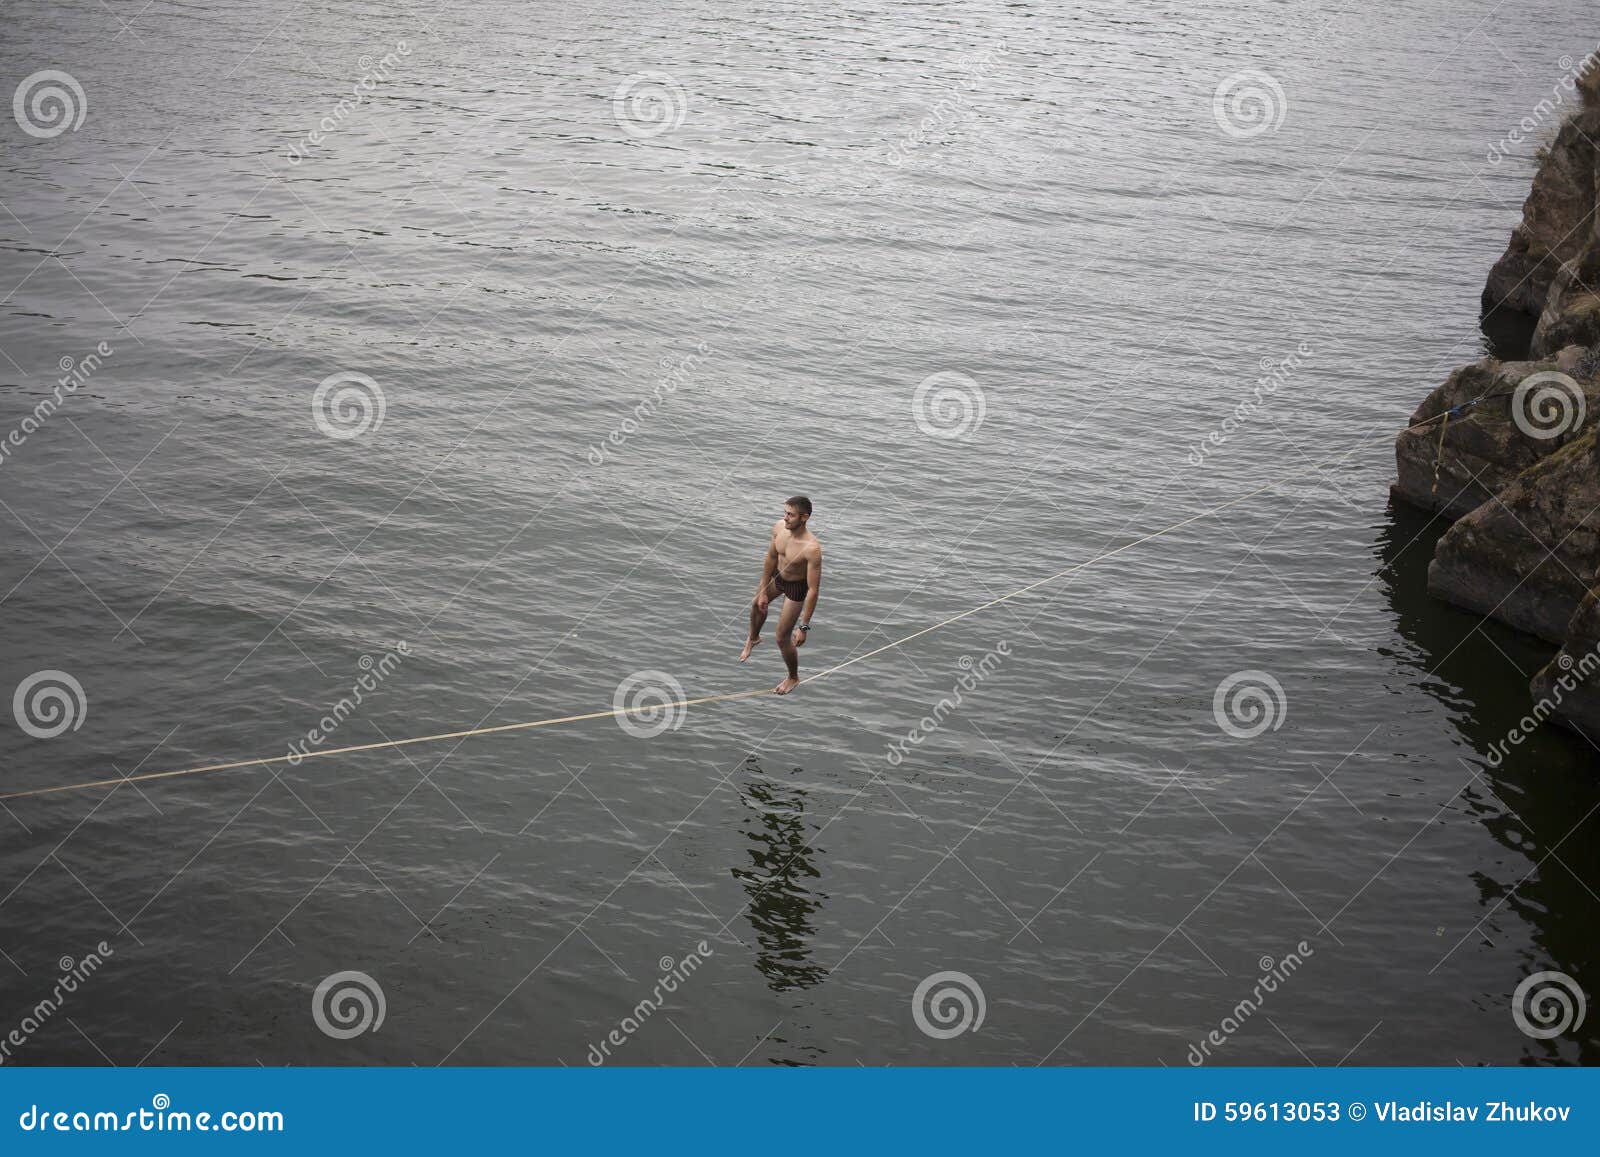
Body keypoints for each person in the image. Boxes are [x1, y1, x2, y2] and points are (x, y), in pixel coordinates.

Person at [739, 496, 822, 694]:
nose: (785, 518)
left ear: (804, 517)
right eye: (785, 513)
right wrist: (762, 592)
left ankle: (793, 677)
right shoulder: (779, 528)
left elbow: (813, 590)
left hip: (797, 588)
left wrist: (804, 626)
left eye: (791, 515)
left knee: (781, 637)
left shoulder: (812, 549)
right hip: (778, 578)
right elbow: (770, 558)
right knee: (756, 604)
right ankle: (754, 637)